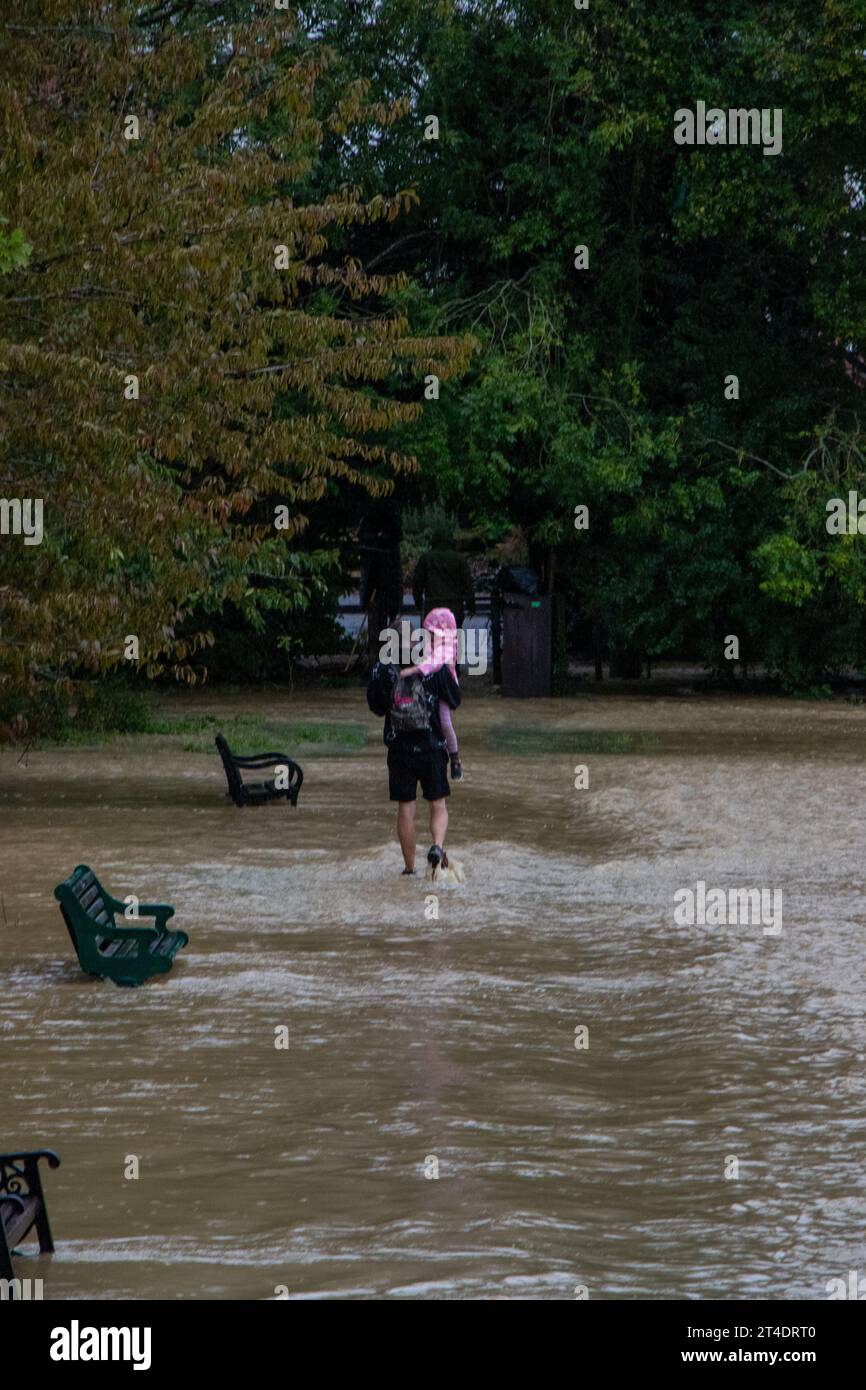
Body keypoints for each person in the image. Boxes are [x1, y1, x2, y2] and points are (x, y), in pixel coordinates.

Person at [367, 608, 461, 876]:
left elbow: (376, 707)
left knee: (406, 807)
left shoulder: (383, 668)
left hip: (399, 748)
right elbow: (454, 700)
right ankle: (437, 846)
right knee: (438, 804)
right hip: (432, 746)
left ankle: (409, 869)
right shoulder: (434, 662)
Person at [412, 524, 475, 628]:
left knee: (431, 639)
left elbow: (417, 583)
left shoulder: (426, 558)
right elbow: (467, 584)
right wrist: (471, 606)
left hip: (432, 605)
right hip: (455, 606)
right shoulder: (459, 559)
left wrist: (418, 602)